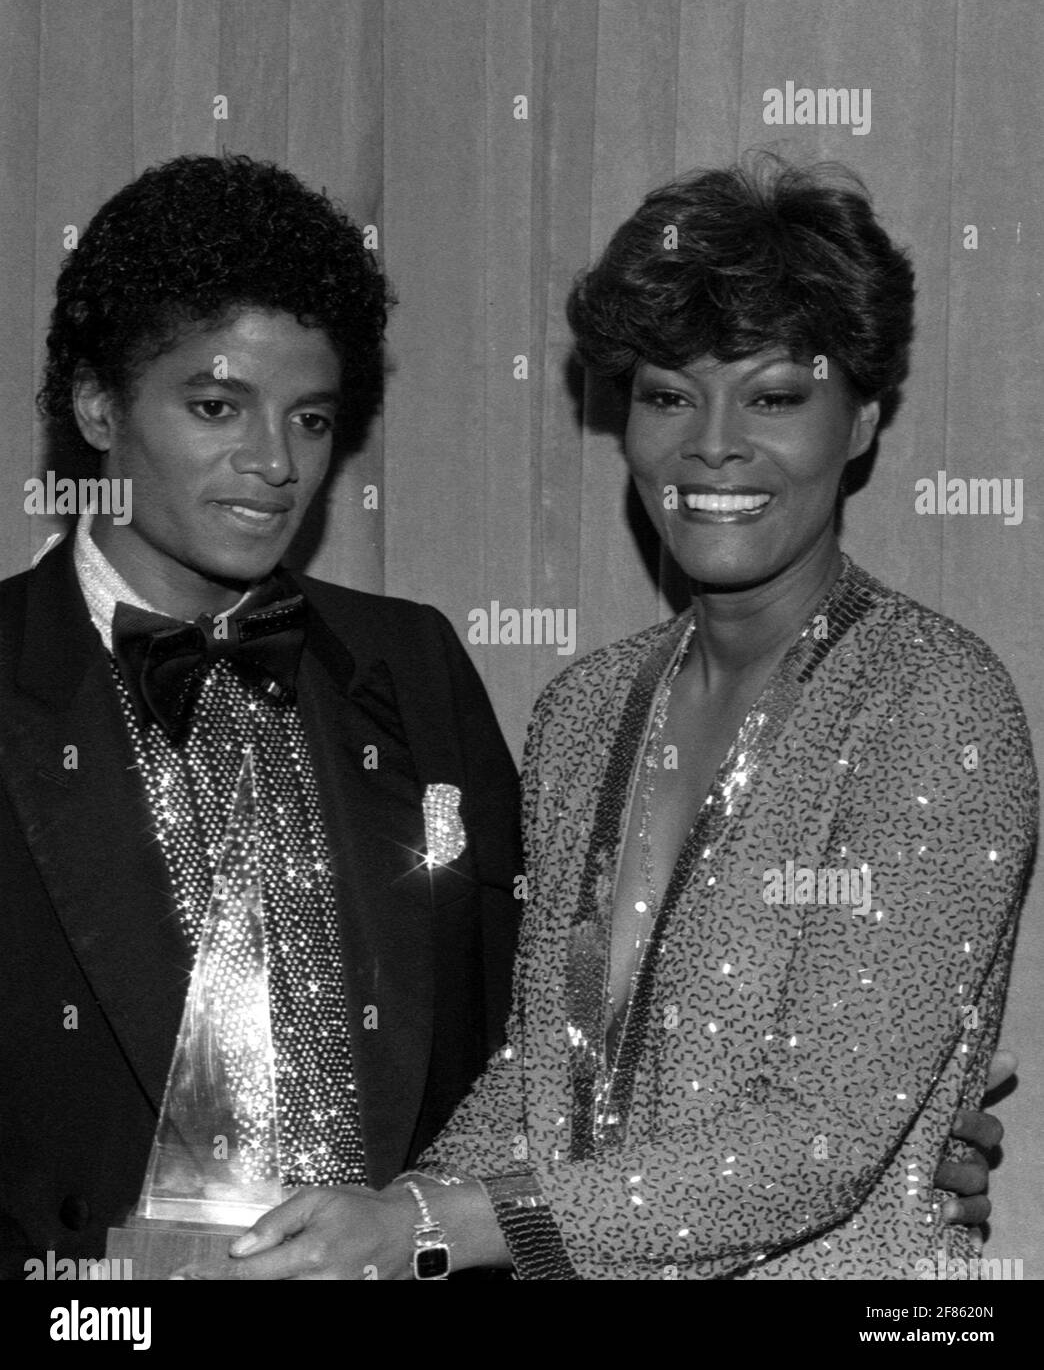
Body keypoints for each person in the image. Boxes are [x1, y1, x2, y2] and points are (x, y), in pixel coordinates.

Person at [206, 155, 1036, 1280]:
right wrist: (380, 1218)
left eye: (777, 396)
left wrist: (431, 1229)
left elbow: (817, 1143)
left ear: (864, 420)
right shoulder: (586, 712)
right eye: (667, 394)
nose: (714, 444)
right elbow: (546, 1080)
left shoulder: (932, 702)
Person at [0, 154, 521, 1277]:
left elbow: (524, 1033)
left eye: (312, 418)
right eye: (215, 405)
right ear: (97, 404)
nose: (275, 463)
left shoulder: (412, 664)